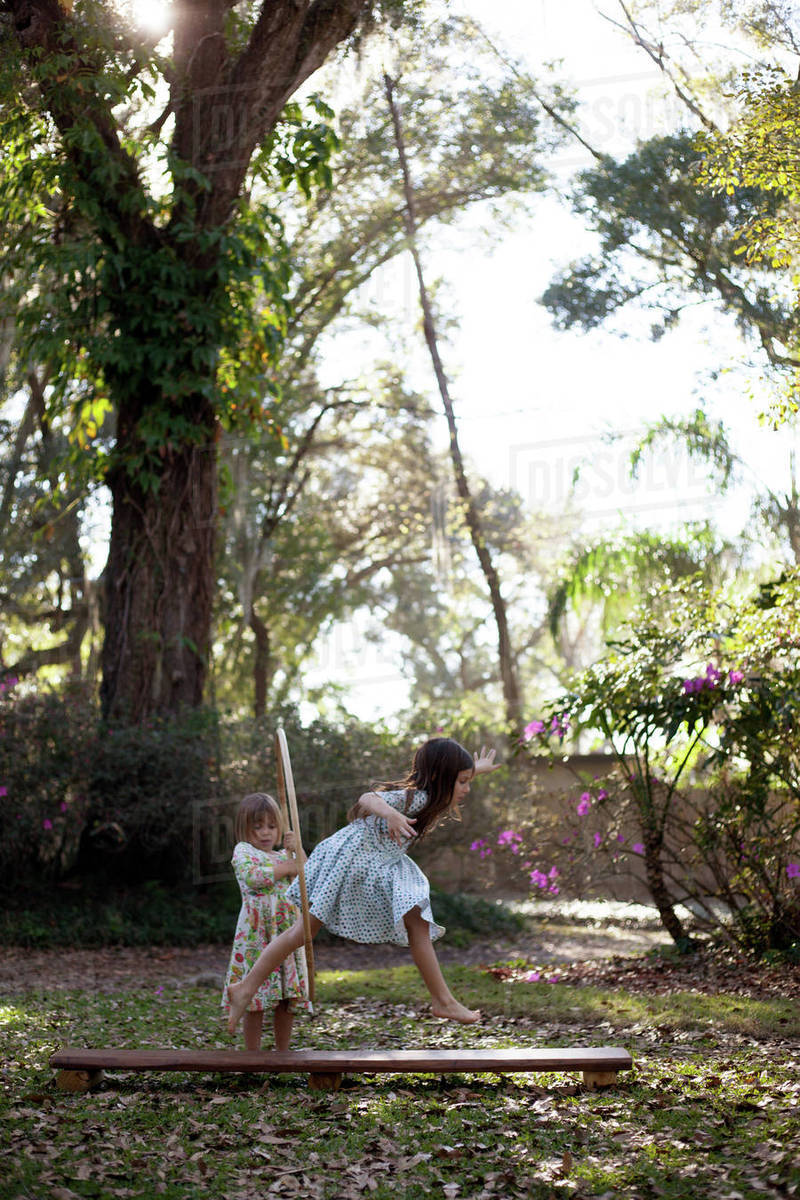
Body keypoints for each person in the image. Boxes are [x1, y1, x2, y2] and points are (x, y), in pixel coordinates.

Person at [226, 738, 499, 1033]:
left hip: (366, 859)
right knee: (302, 931)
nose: (467, 789)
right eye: (462, 782)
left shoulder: (432, 796)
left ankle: (245, 987)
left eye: (468, 781)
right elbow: (368, 798)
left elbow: (449, 779)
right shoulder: (416, 797)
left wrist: (476, 768)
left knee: (411, 922)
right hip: (352, 860)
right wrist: (391, 813)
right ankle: (245, 987)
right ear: (439, 778)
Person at [221, 792, 312, 1050]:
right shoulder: (244, 851)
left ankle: (282, 1052)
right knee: (255, 996)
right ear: (244, 828)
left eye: (272, 826)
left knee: (286, 995)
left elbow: (307, 879)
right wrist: (289, 866)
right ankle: (254, 1055)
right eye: (257, 826)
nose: (265, 833)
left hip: (285, 932)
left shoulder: (286, 854)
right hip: (256, 934)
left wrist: (299, 852)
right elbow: (254, 878)